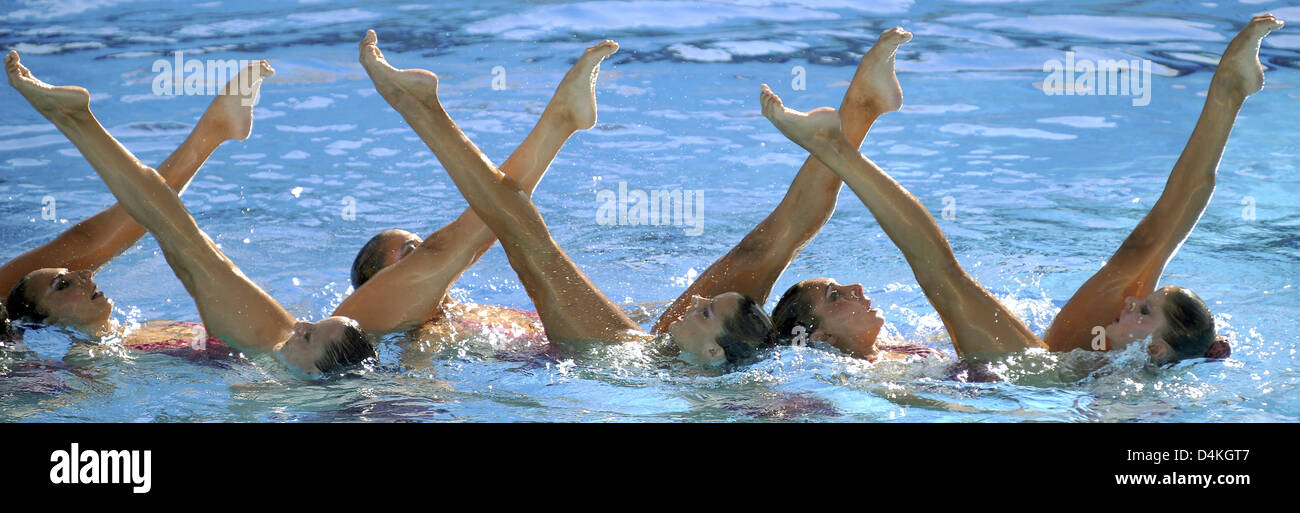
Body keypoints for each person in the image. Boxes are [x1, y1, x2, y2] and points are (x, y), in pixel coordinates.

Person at [755, 14, 1282, 364]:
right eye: (834, 297)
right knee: (940, 273)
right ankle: (836, 148)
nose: (859, 289)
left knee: (1143, 247)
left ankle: (1229, 88)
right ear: (819, 339)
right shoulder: (856, 378)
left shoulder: (887, 349)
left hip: (1046, 362)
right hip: (1036, 377)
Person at [356, 31, 772, 365]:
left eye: (418, 246)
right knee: (525, 241)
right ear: (375, 285)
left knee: (526, 242)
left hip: (617, 355)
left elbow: (483, 229)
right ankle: (530, 117)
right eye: (408, 256)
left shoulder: (467, 311)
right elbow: (477, 232)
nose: (428, 252)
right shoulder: (410, 328)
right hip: (616, 353)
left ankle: (432, 109)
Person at [5, 51, 374, 376]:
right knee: (180, 239)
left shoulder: (104, 350)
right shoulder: (98, 351)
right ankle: (80, 120)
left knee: (180, 239)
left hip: (266, 356)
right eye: (63, 285)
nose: (85, 273)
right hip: (265, 351)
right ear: (47, 321)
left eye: (310, 330)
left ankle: (78, 120)